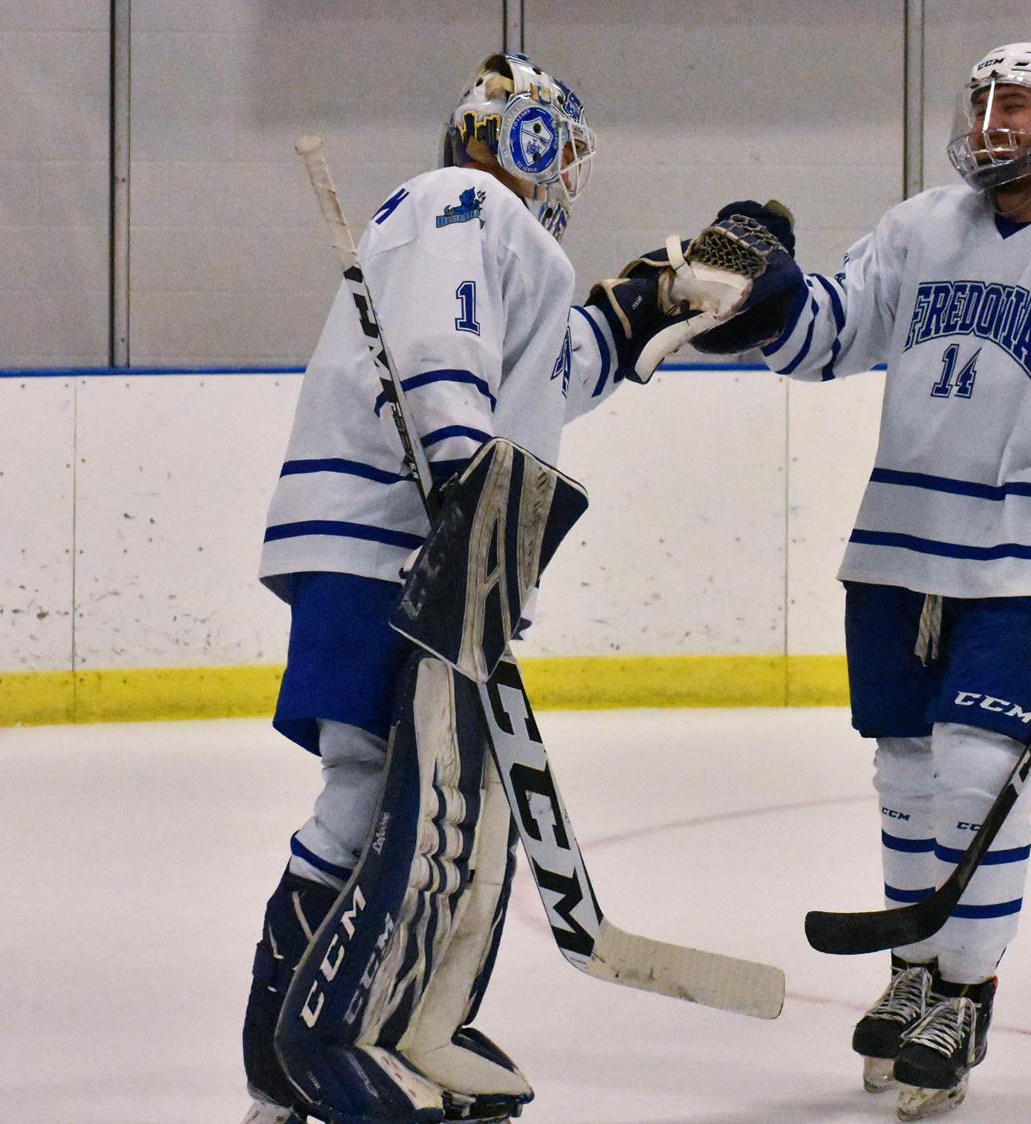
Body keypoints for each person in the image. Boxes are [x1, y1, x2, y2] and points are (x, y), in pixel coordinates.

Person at [720, 41, 1031, 1119]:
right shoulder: (921, 224)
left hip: (1024, 559)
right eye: (979, 101)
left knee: (979, 773)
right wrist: (758, 298)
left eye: (1013, 104)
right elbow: (829, 336)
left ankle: (965, 990)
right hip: (895, 544)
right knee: (908, 776)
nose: (988, 121)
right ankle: (914, 970)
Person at [238, 53, 673, 1124]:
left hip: (425, 543)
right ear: (530, 137)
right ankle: (295, 1060)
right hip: (395, 540)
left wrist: (641, 310)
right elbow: (440, 343)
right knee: (379, 787)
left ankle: (380, 1028)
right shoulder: (460, 199)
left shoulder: (513, 248)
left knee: (427, 802)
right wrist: (461, 472)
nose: (564, 169)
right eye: (559, 146)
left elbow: (557, 369)